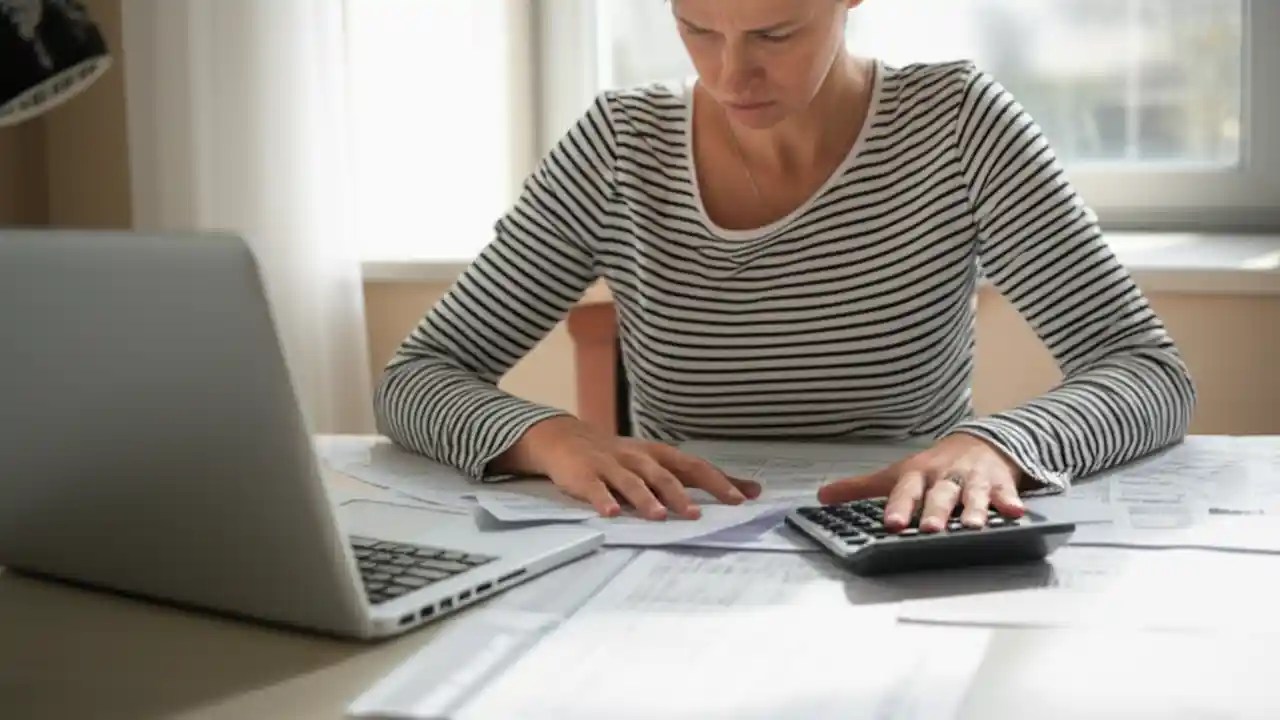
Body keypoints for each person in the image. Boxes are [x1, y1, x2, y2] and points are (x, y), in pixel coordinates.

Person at [374, 0, 1195, 534]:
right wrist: (550, 437)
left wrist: (998, 444)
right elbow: (414, 377)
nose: (732, 74)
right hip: (678, 554)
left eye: (774, 34)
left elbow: (1149, 372)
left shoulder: (956, 124)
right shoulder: (623, 145)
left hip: (905, 540)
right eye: (697, 28)